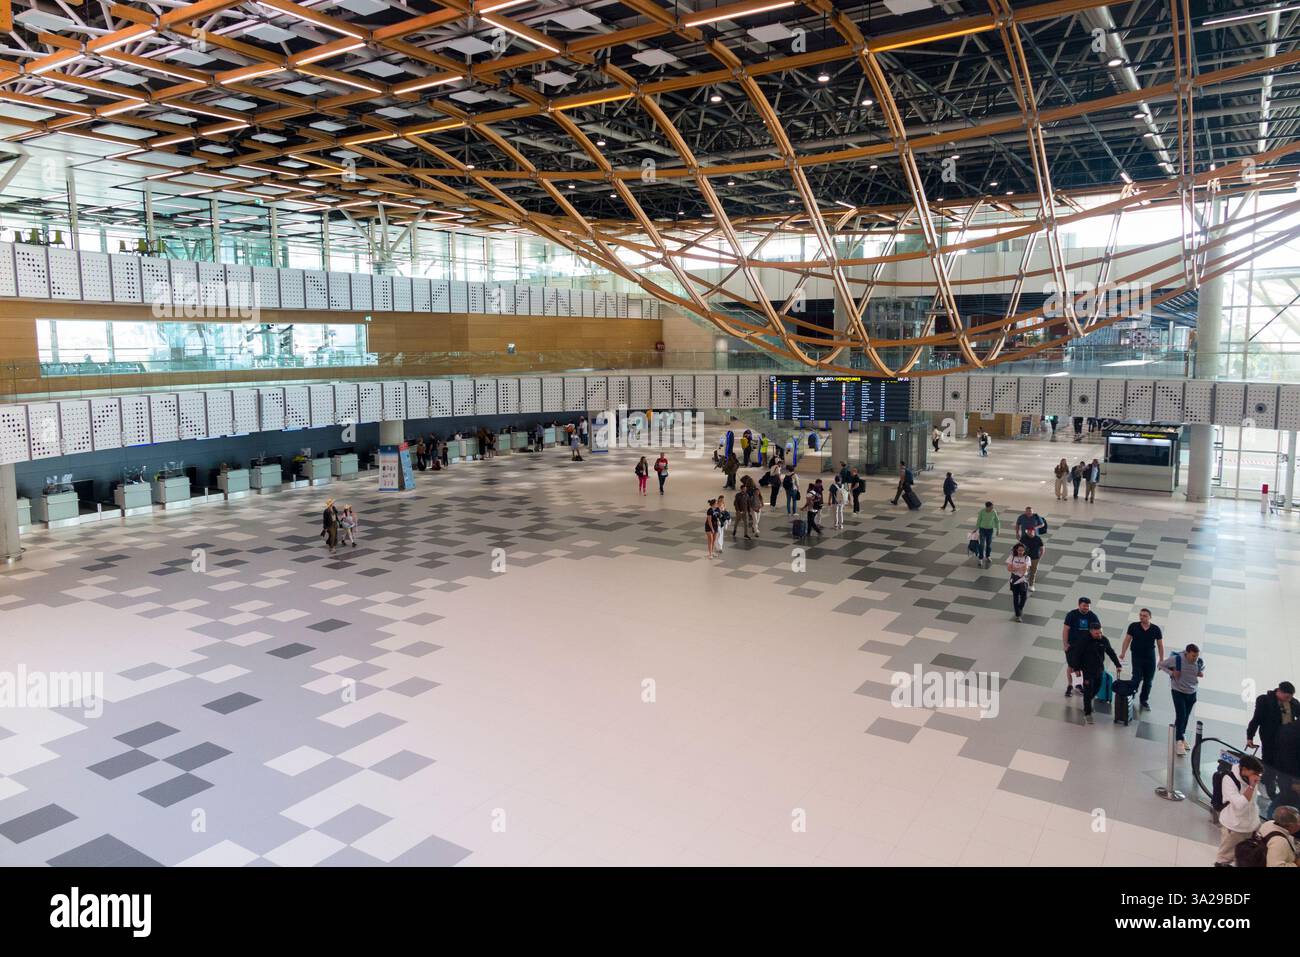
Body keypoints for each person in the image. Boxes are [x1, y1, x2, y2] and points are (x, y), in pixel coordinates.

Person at [1248, 682, 1298, 793]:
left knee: (1283, 765)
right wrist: (1250, 736)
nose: (1288, 700)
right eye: (1286, 697)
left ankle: (1282, 788)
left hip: (1287, 741)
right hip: (1270, 739)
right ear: (1279, 691)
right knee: (1269, 763)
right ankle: (1266, 786)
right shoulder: (1265, 700)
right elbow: (1256, 719)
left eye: (1290, 697)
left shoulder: (1293, 703)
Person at [1215, 754, 1264, 865]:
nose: (1257, 777)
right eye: (1254, 774)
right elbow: (1239, 804)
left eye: (1258, 774)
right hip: (1234, 827)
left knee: (1245, 857)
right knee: (1225, 858)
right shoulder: (1229, 779)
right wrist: (1251, 786)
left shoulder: (1251, 777)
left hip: (1251, 826)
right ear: (1244, 770)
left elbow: (1253, 802)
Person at [1160, 643, 1205, 755]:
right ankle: (1178, 740)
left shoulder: (1199, 662)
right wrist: (1172, 672)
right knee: (1181, 715)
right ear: (1187, 653)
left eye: (1197, 656)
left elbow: (1201, 671)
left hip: (1192, 692)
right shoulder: (1177, 659)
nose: (1195, 658)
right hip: (1178, 691)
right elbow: (1161, 665)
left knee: (1186, 716)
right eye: (1193, 656)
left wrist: (1200, 673)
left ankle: (1181, 735)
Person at [1119, 609, 1164, 712]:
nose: (1142, 617)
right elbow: (1127, 640)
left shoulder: (1155, 629)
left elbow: (1160, 645)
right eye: (1140, 615)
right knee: (1136, 677)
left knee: (1148, 681)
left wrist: (1161, 660)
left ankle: (1144, 700)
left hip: (1150, 657)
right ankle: (1132, 693)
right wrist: (1123, 653)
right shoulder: (1133, 626)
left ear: (1150, 617)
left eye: (1144, 616)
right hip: (1137, 656)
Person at [1076, 623, 1122, 725]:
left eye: (1101, 632)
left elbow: (1110, 652)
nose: (1099, 635)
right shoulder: (1084, 640)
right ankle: (1087, 713)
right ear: (1091, 631)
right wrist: (1076, 668)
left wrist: (1117, 664)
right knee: (1088, 691)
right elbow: (1077, 654)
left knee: (1097, 687)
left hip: (1099, 669)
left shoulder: (1103, 640)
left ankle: (1087, 701)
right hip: (1087, 670)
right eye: (1097, 633)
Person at [1062, 597, 1101, 698]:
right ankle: (1070, 686)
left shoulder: (1092, 616)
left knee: (1083, 666)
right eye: (1084, 605)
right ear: (1079, 605)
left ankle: (1079, 685)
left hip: (1086, 647)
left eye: (1088, 606)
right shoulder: (1072, 615)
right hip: (1073, 646)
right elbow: (1066, 630)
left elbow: (1098, 631)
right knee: (1071, 666)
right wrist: (1065, 644)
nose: (1086, 608)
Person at [1007, 542, 1031, 622]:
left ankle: (1019, 609)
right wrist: (1020, 568)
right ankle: (1018, 615)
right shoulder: (1012, 557)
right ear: (1016, 550)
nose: (1020, 552)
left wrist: (1016, 568)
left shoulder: (1027, 558)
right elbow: (1009, 569)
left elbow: (1025, 570)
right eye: (1019, 550)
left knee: (1024, 596)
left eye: (1022, 550)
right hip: (1014, 579)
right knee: (1016, 597)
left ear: (1024, 550)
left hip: (1023, 579)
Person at [1019, 524, 1044, 591]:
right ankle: (1022, 584)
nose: (1030, 532)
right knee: (1024, 571)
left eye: (1032, 531)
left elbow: (1042, 548)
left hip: (1035, 558)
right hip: (1025, 558)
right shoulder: (1023, 538)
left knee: (1033, 572)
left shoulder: (1038, 539)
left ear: (1034, 531)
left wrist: (1040, 557)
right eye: (1029, 531)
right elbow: (1019, 547)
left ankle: (1031, 585)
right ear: (1027, 532)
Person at [975, 501, 999, 567]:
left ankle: (988, 556)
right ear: (987, 507)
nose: (992, 508)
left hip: (990, 530)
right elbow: (978, 520)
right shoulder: (982, 512)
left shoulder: (994, 512)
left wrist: (998, 530)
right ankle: (980, 558)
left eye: (992, 507)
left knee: (989, 544)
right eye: (991, 507)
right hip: (982, 529)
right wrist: (976, 529)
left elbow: (997, 521)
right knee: (982, 544)